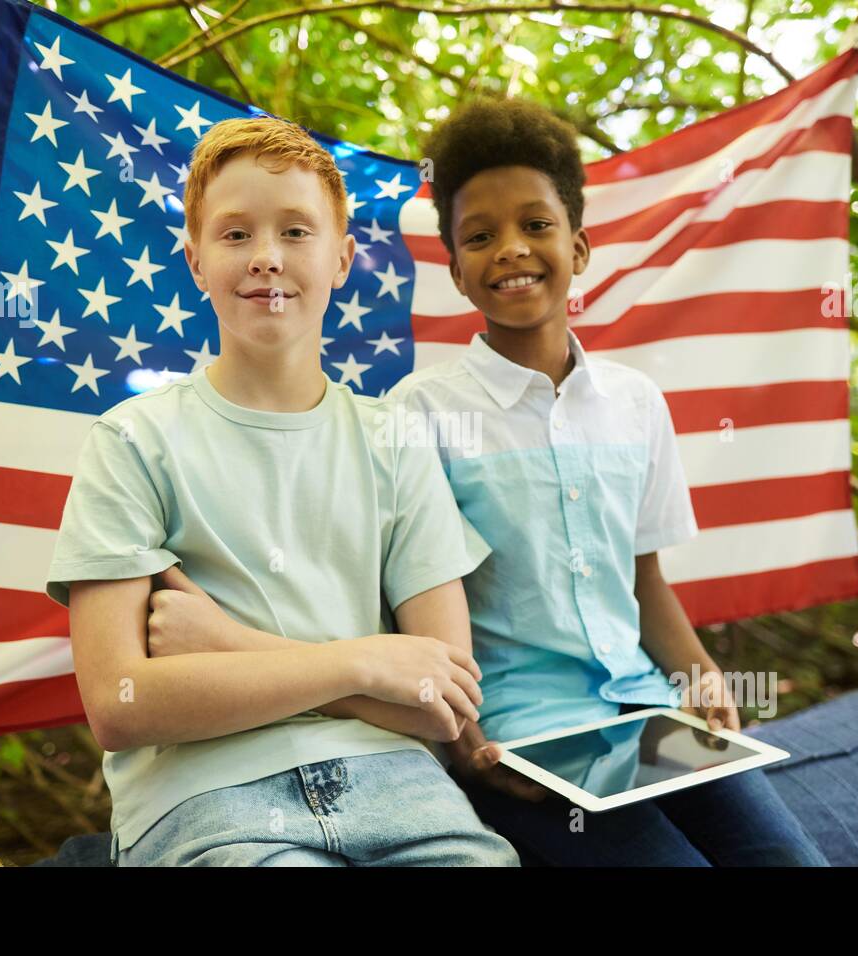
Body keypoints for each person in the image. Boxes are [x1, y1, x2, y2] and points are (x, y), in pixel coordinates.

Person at [45, 115, 518, 867]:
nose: (267, 257)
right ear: (196, 261)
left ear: (342, 258)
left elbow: (443, 698)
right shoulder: (132, 442)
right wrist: (362, 664)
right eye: (236, 235)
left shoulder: (392, 438)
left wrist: (228, 646)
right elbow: (121, 704)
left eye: (297, 232)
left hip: (405, 795)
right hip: (209, 805)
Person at [387, 97, 830, 866]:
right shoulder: (419, 412)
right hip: (519, 742)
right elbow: (408, 610)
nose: (510, 250)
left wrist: (701, 677)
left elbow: (643, 578)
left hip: (648, 717)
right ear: (457, 272)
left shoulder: (635, 403)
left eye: (536, 224)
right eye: (480, 237)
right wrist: (460, 743)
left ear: (580, 247)